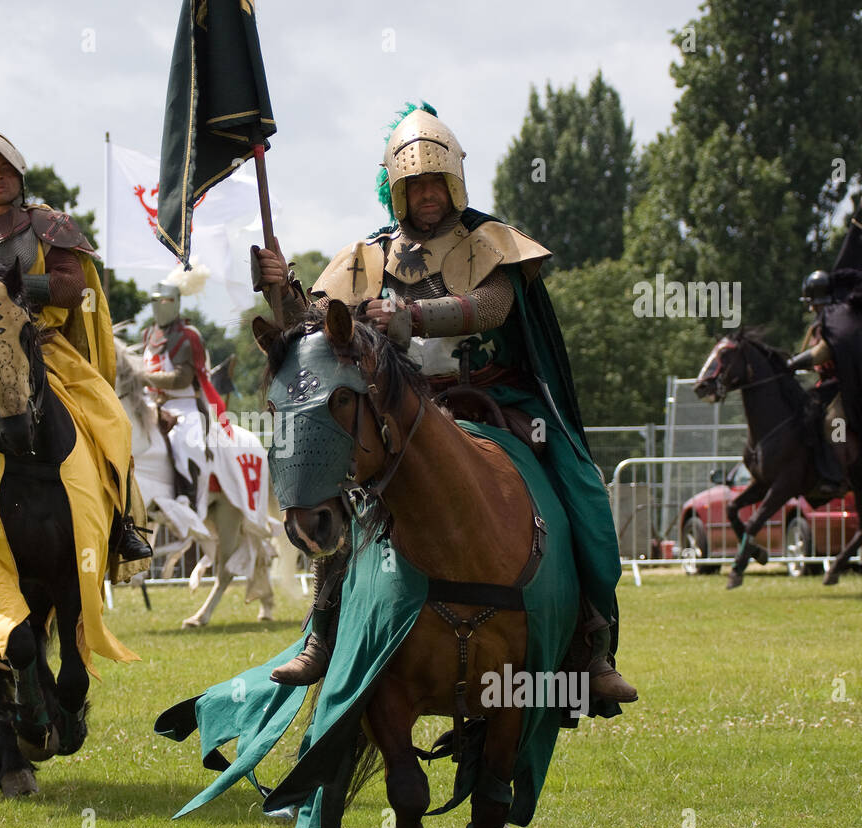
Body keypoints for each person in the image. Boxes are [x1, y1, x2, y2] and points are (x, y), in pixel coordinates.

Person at [253, 103, 636, 702]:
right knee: (347, 492)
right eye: (414, 184)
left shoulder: (489, 241)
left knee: (582, 487)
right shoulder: (365, 258)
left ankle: (592, 641)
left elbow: (493, 307)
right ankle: (322, 633)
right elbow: (317, 333)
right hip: (400, 410)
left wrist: (412, 315)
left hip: (489, 397)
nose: (427, 194)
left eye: (435, 182)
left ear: (453, 182)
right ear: (397, 191)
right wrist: (282, 288)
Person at [0, 129, 152, 583]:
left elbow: (71, 285)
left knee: (112, 421)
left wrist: (8, 287)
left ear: (19, 178)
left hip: (41, 348)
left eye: (5, 170)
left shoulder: (49, 226)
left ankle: (121, 525)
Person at [788, 268, 862, 494]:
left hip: (848, 388)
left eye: (812, 302)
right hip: (825, 387)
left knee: (835, 422)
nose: (811, 307)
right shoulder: (825, 321)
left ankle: (841, 473)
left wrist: (793, 363)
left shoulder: (840, 317)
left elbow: (824, 352)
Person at [140, 277, 228, 503]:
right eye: (156, 301)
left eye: (167, 301)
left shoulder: (188, 335)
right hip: (150, 404)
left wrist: (141, 378)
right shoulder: (148, 335)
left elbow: (182, 378)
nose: (161, 306)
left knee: (186, 443)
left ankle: (189, 496)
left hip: (184, 406)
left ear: (177, 302)